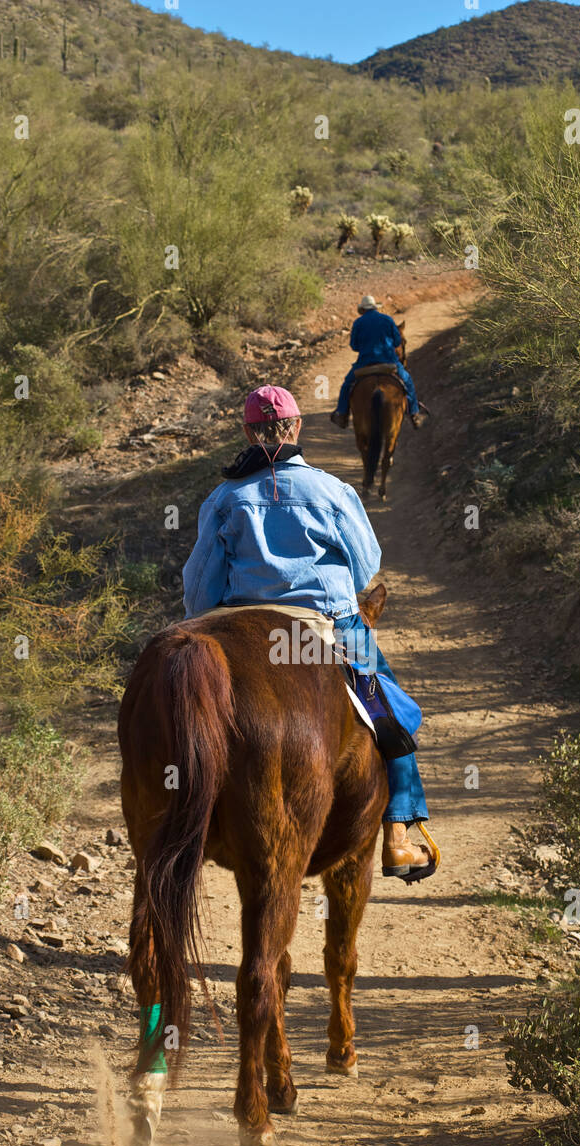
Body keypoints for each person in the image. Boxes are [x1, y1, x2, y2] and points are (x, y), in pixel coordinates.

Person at [182, 383, 438, 882]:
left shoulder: (224, 498)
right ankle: (398, 837)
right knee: (390, 715)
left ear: (247, 432)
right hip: (330, 628)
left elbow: (199, 588)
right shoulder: (333, 491)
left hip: (237, 627)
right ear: (296, 427)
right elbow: (367, 567)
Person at [330, 294, 428, 430]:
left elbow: (354, 346)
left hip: (365, 363)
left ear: (363, 310)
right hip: (388, 362)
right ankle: (414, 413)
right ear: (375, 308)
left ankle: (342, 414)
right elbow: (397, 341)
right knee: (408, 381)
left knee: (347, 385)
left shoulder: (358, 322)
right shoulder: (387, 320)